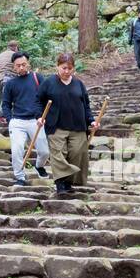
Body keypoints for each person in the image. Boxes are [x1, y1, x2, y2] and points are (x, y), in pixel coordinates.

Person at [36, 52, 98, 196]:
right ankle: (60, 184)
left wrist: (92, 120)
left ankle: (68, 182)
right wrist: (39, 116)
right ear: (57, 67)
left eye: (70, 68)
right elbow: (38, 101)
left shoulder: (79, 84)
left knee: (78, 152)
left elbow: (86, 106)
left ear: (73, 68)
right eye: (63, 68)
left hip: (78, 126)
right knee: (59, 154)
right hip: (56, 125)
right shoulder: (48, 83)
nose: (66, 71)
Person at [0, 51, 51, 186]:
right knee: (17, 150)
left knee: (44, 151)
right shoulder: (10, 84)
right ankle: (20, 177)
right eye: (18, 65)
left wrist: (44, 117)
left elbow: (47, 97)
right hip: (17, 122)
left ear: (28, 63)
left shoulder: (37, 77)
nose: (21, 67)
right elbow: (5, 104)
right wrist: (10, 120)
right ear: (13, 67)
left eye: (23, 64)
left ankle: (39, 166)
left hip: (37, 121)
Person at [0, 40, 19, 117]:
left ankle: (5, 116)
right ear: (15, 47)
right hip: (11, 78)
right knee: (8, 99)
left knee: (3, 97)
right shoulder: (16, 55)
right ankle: (0, 113)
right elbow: (19, 68)